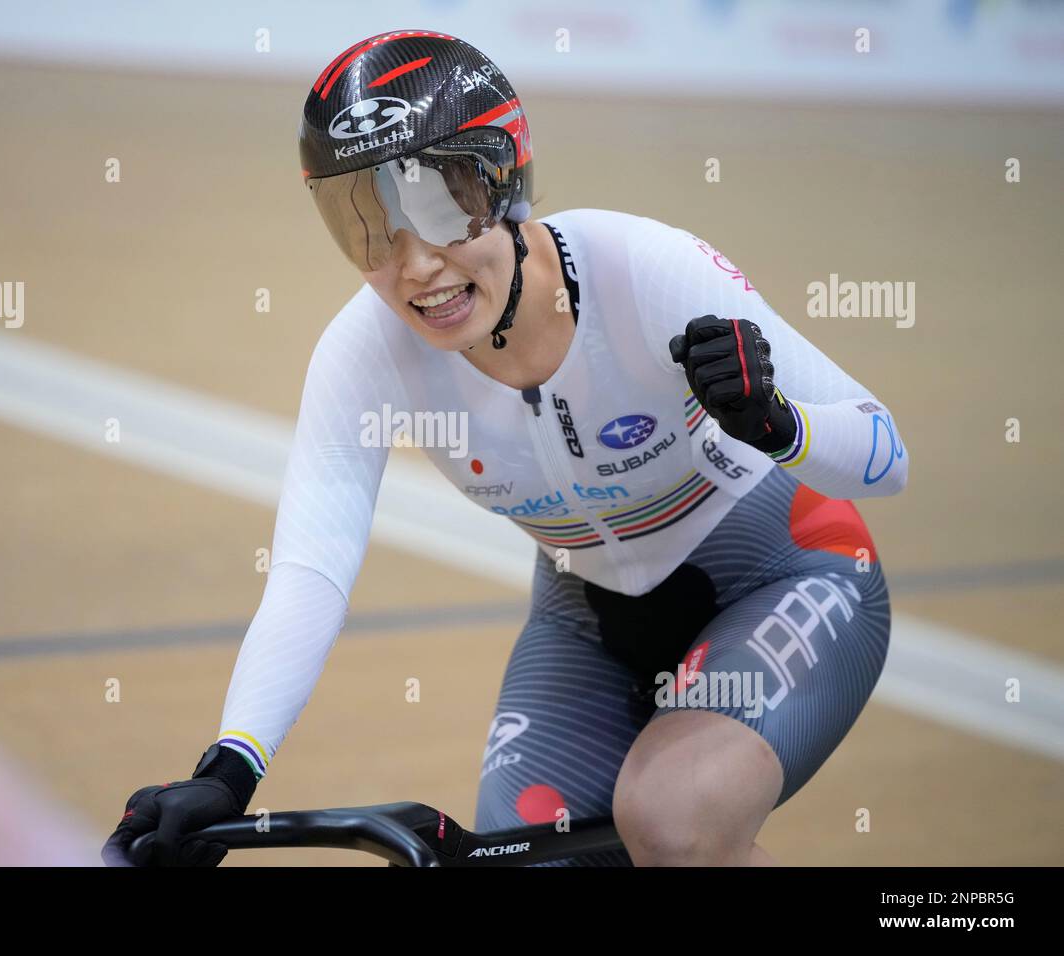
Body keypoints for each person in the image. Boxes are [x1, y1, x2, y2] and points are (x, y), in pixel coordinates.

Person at [103, 29, 907, 867]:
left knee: (674, 820)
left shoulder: (646, 270)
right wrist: (230, 767)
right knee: (516, 857)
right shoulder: (365, 351)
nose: (414, 267)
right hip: (589, 620)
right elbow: (312, 568)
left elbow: (888, 455)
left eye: (440, 209)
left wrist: (780, 423)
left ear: (508, 184)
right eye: (367, 227)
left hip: (786, 574)